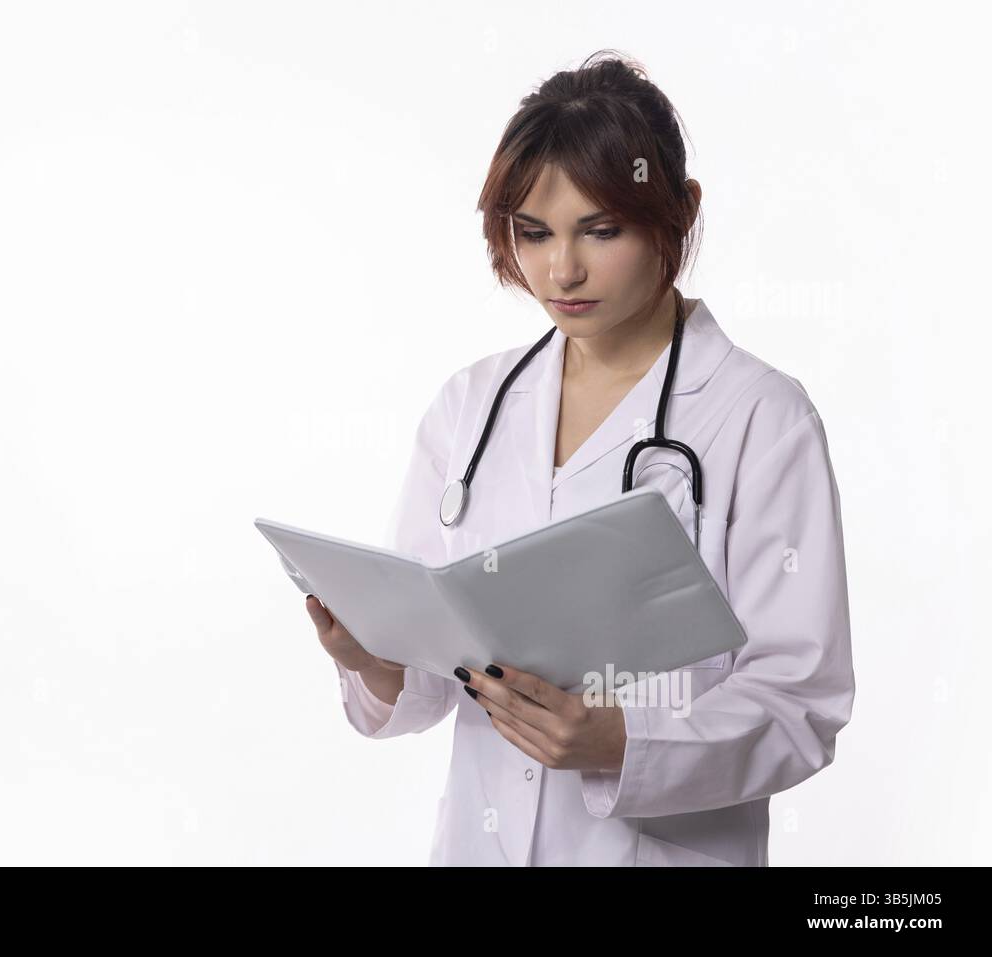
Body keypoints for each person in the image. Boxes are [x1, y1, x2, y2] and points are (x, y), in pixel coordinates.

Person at [306, 50, 855, 866]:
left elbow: (800, 702)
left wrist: (622, 741)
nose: (561, 270)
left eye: (602, 230)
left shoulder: (761, 416)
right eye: (533, 233)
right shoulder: (471, 407)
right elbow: (428, 677)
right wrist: (372, 656)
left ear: (680, 210)